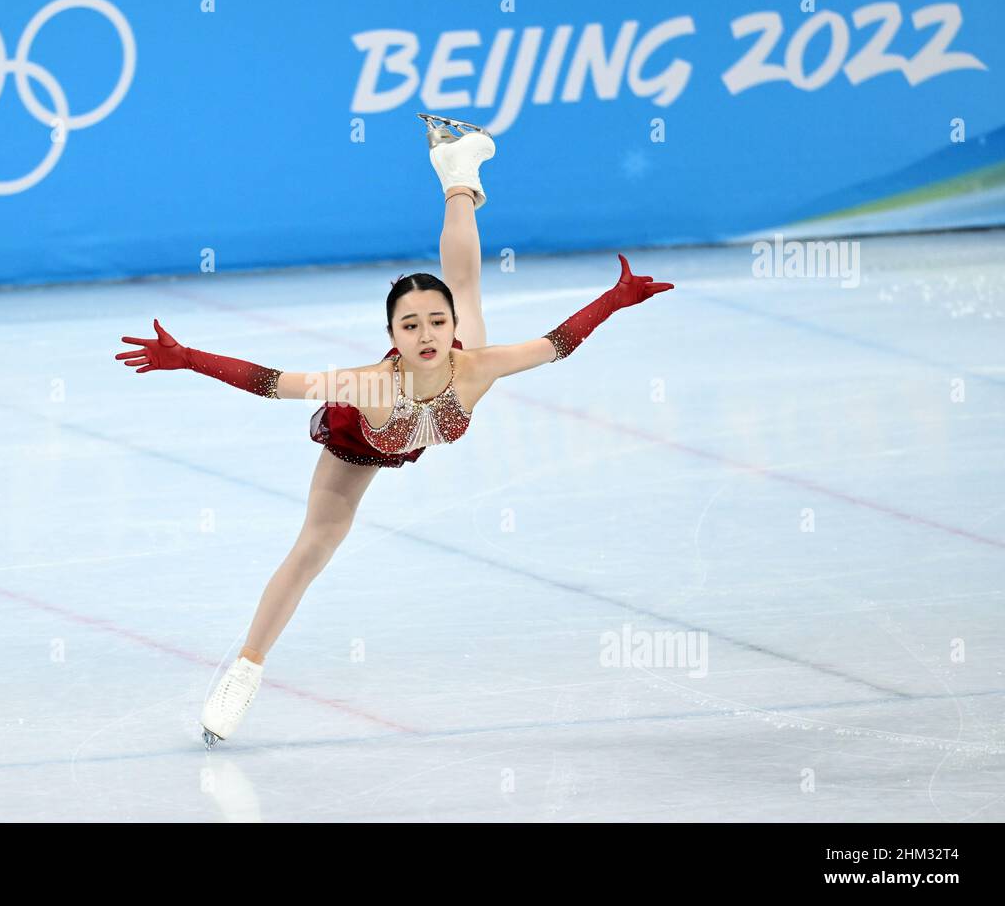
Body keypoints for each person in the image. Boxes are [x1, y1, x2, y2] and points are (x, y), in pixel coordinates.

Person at [114, 114, 674, 747]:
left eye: (437, 323)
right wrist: (189, 358)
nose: (429, 335)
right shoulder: (368, 385)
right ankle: (246, 669)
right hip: (365, 442)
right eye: (411, 327)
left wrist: (615, 297)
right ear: (391, 337)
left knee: (463, 283)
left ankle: (459, 171)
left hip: (441, 402)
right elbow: (272, 382)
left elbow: (558, 343)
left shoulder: (472, 363)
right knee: (314, 550)